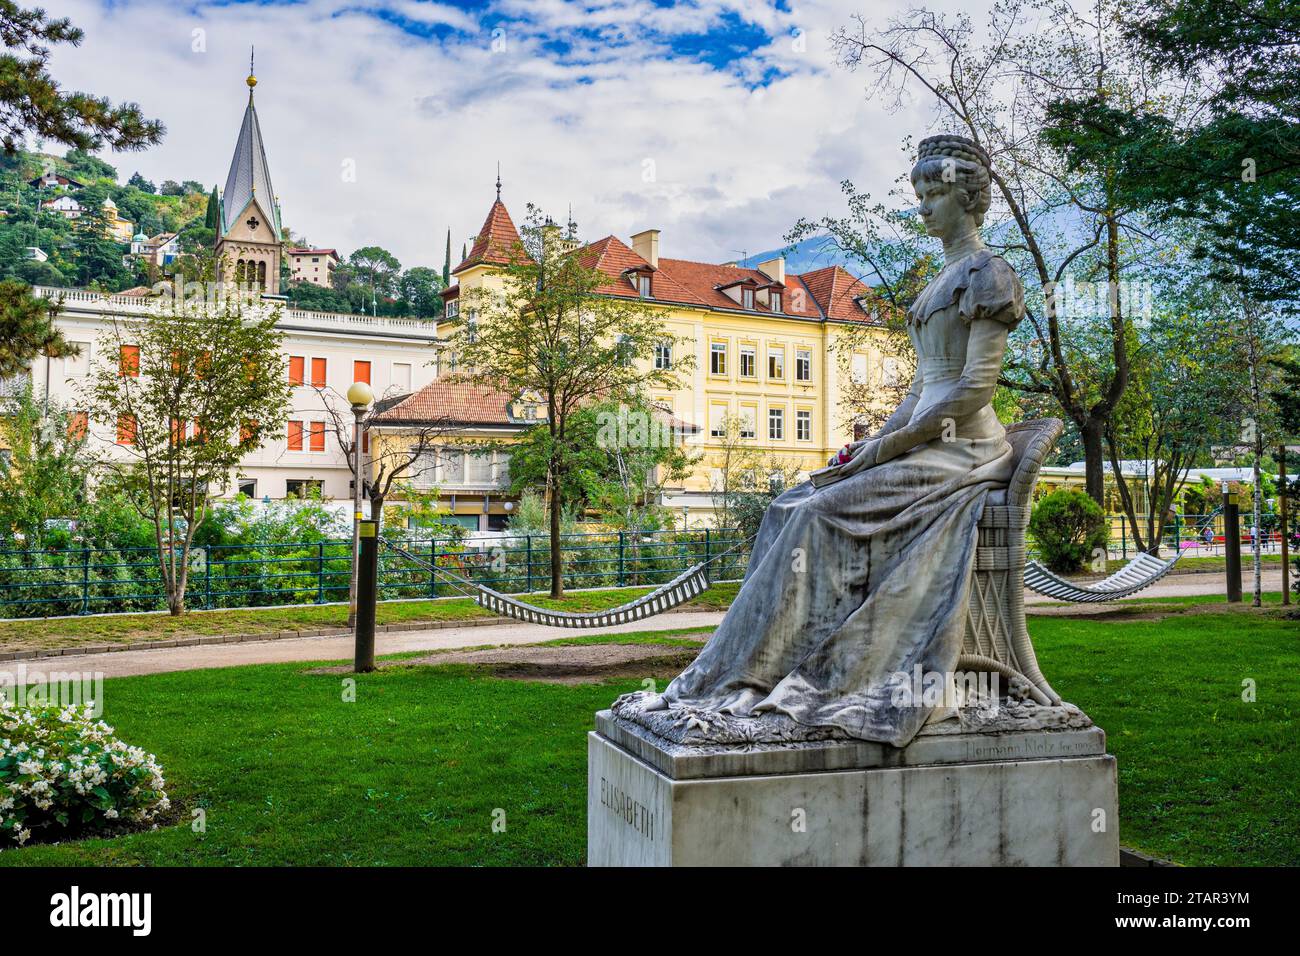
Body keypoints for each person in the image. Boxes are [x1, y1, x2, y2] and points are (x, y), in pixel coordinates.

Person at [647, 134, 1024, 747]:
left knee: (819, 514)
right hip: (924, 441)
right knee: (790, 503)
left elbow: (973, 390)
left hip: (963, 450)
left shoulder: (989, 273)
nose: (924, 208)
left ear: (968, 197)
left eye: (936, 195)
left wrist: (885, 450)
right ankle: (746, 672)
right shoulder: (940, 281)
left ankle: (771, 675)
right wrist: (873, 441)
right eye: (920, 195)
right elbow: (923, 389)